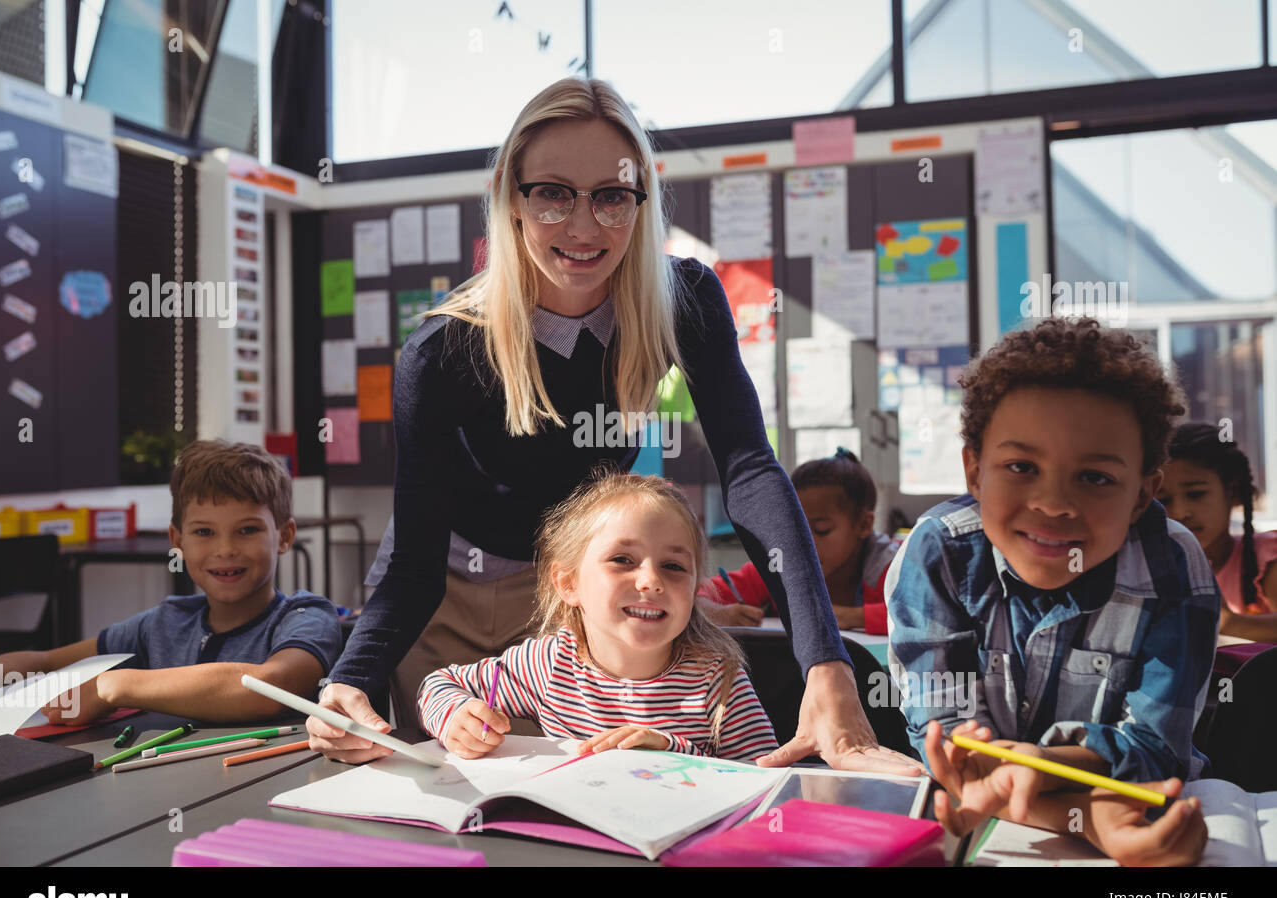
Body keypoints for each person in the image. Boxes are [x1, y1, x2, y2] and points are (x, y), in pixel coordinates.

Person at [307, 76, 918, 775]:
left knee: (588, 790)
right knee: (455, 796)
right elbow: (413, 556)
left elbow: (749, 469)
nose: (583, 226)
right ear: (512, 196)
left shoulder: (682, 299)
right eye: (553, 193)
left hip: (576, 593)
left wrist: (824, 660)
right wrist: (350, 679)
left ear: (642, 200)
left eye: (611, 195)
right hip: (447, 589)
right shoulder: (442, 349)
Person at [886, 317, 1215, 863]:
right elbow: (950, 743)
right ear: (974, 471)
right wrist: (1088, 817)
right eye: (1021, 466)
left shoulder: (1172, 566)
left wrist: (1026, 770)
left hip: (1135, 809)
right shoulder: (938, 552)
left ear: (1141, 495)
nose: (1054, 503)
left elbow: (1156, 748)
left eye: (1095, 478)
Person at [418, 471, 778, 761]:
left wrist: (673, 752)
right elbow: (436, 686)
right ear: (568, 583)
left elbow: (764, 780)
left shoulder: (719, 680)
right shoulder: (548, 663)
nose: (652, 581)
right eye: (623, 560)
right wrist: (456, 716)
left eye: (673, 566)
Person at [0, 440, 343, 724]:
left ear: (284, 536)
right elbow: (45, 662)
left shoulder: (307, 616)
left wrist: (118, 686)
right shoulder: (166, 623)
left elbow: (271, 688)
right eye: (204, 532)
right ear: (178, 540)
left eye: (247, 530)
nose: (225, 549)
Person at [698, 449, 899, 634]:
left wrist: (850, 617)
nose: (804, 543)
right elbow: (693, 596)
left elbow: (924, 614)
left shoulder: (896, 565)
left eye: (821, 531)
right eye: (794, 529)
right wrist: (721, 613)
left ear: (863, 525)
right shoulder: (779, 563)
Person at [1158, 423, 1277, 675]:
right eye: (1163, 500)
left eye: (1196, 494)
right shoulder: (1151, 571)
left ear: (1231, 493)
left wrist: (1230, 622)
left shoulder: (1266, 556)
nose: (1180, 512)